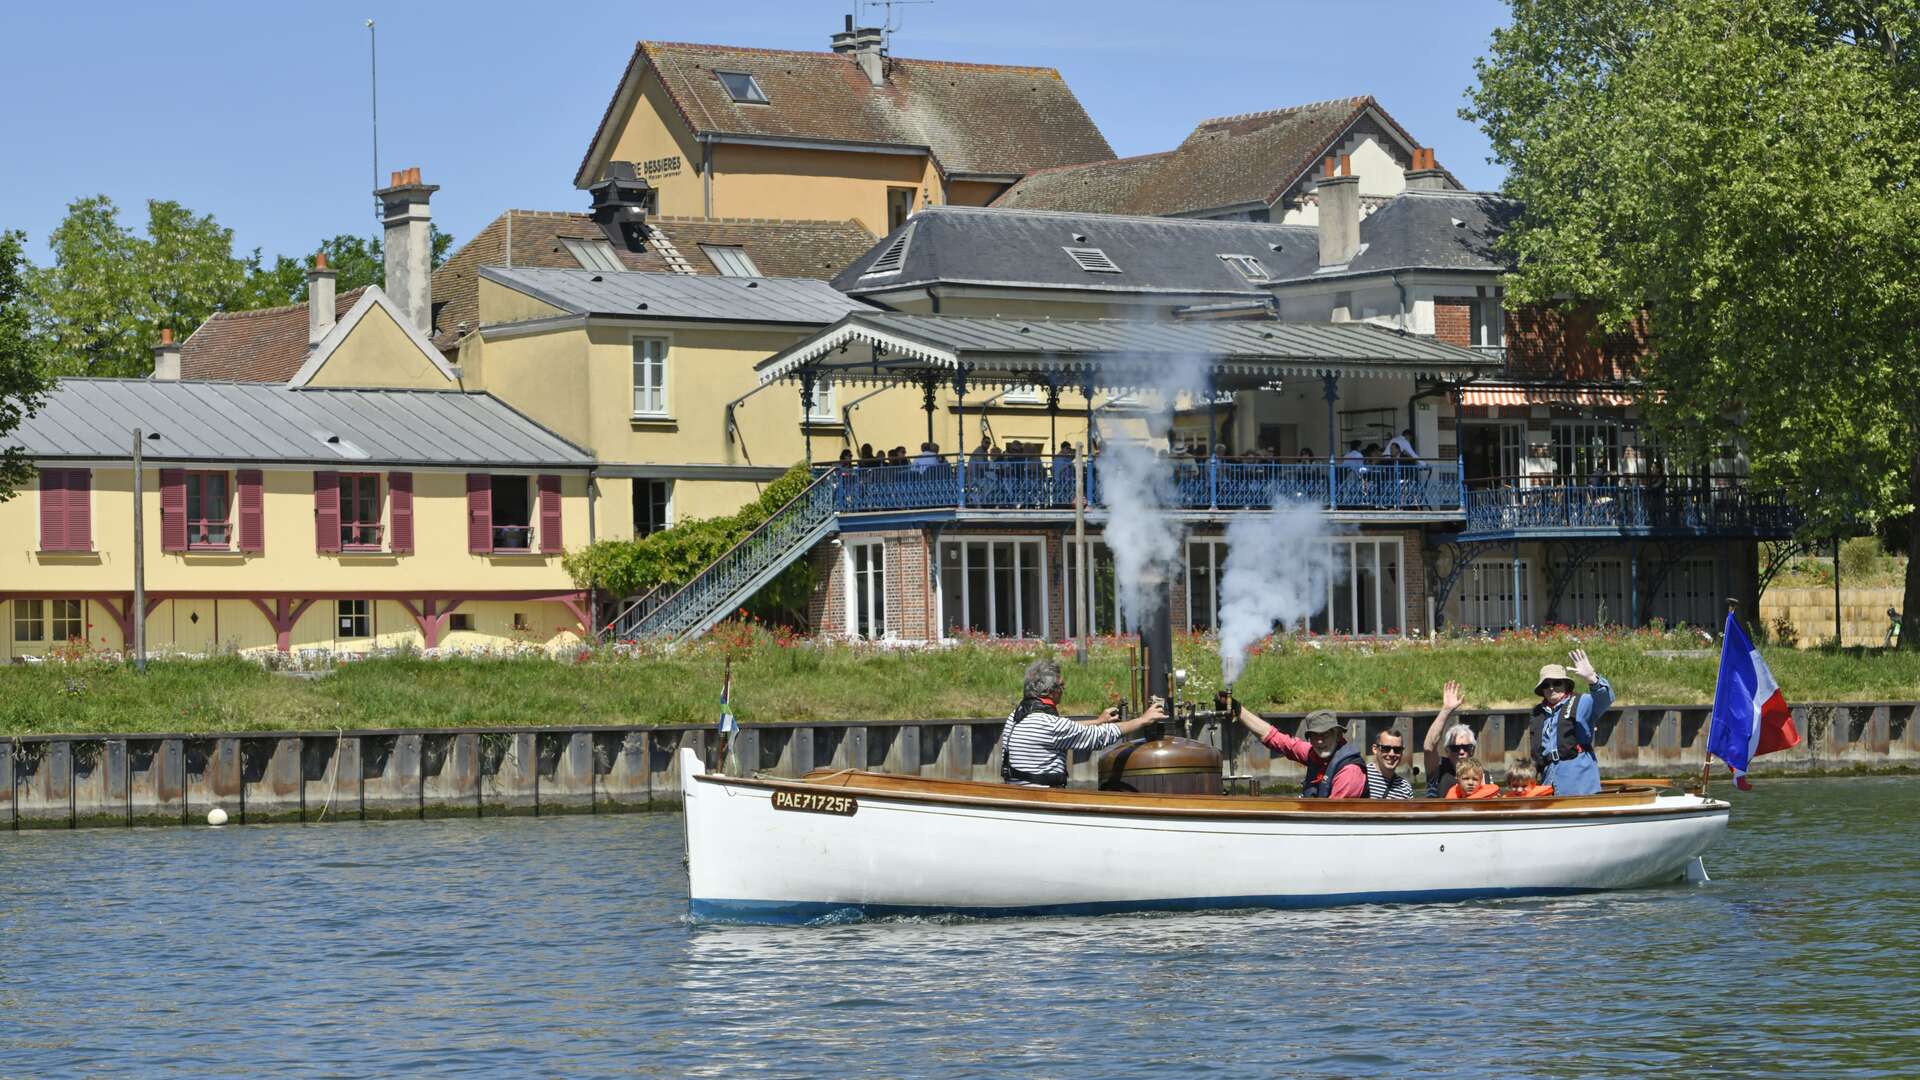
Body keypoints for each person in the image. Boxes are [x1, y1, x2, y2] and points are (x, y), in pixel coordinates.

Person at [1001, 659, 1162, 787]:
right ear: (1051, 691)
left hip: (1018, 792)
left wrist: (1098, 721)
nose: (1063, 690)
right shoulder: (1049, 724)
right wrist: (1142, 720)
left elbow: (1066, 729)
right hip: (1044, 799)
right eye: (1062, 686)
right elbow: (1099, 737)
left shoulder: (1016, 716)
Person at [1222, 701, 1367, 798]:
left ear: (1338, 736)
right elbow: (1274, 737)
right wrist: (1238, 709)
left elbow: (1334, 820)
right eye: (1315, 735)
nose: (1320, 741)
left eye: (1326, 734)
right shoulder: (1313, 752)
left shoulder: (1349, 772)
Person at [1529, 649, 1612, 796]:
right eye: (1546, 685)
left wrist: (1592, 679)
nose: (1551, 688)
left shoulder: (1582, 702)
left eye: (1557, 683)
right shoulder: (1538, 712)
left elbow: (1605, 700)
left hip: (1579, 781)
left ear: (1566, 685)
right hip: (1547, 782)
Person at [1420, 680, 1469, 797]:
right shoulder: (1437, 769)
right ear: (1447, 750)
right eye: (1455, 748)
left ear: (1472, 750)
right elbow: (1429, 746)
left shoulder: (1483, 775)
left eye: (1466, 747)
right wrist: (1446, 710)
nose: (1461, 752)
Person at [1364, 729, 1414, 799]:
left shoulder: (1405, 788)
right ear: (1375, 749)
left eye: (1397, 749)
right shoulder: (1361, 776)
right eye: (1386, 748)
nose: (1392, 754)